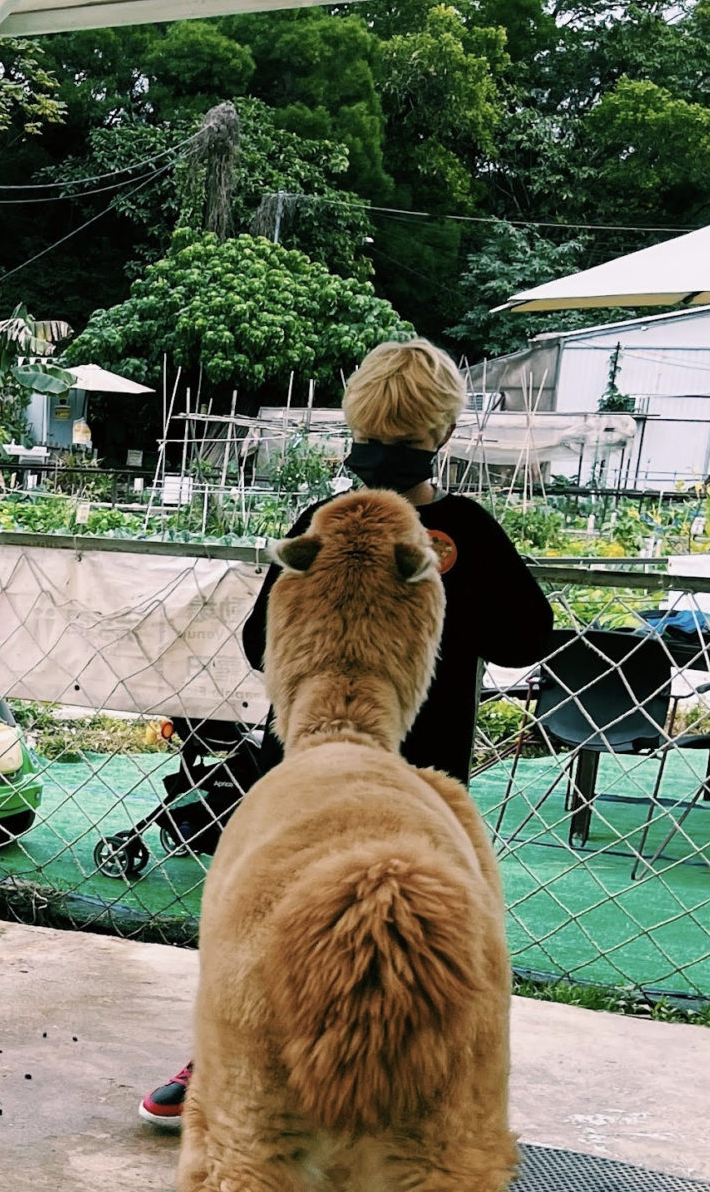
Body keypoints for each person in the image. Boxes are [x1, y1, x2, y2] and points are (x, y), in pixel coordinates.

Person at [141, 337, 554, 1130]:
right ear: (445, 431)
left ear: (354, 424)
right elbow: (526, 637)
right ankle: (410, 1089)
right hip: (419, 772)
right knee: (411, 927)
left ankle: (232, 1062)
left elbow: (259, 643)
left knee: (268, 909)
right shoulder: (464, 530)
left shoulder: (325, 523)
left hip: (305, 766)